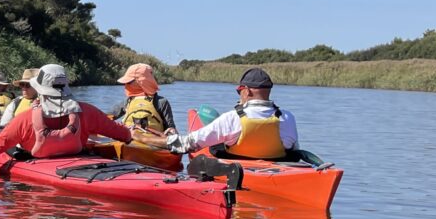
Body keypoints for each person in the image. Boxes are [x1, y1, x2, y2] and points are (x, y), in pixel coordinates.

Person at [0, 64, 131, 165]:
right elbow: (122, 134)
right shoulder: (87, 111)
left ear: (39, 88)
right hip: (77, 157)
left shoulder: (25, 119)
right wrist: (131, 134)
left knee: (4, 146)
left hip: (37, 162)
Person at [166, 67, 298, 159]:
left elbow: (186, 144)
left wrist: (149, 139)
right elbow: (295, 151)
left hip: (237, 170)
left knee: (216, 145)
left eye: (239, 90)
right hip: (276, 169)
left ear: (247, 91)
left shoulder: (232, 118)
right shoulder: (287, 117)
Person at [107, 62, 176, 134]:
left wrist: (171, 131)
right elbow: (106, 118)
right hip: (131, 139)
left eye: (129, 82)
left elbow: (171, 128)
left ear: (142, 82)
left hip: (155, 141)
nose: (126, 85)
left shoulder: (161, 102)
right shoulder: (127, 101)